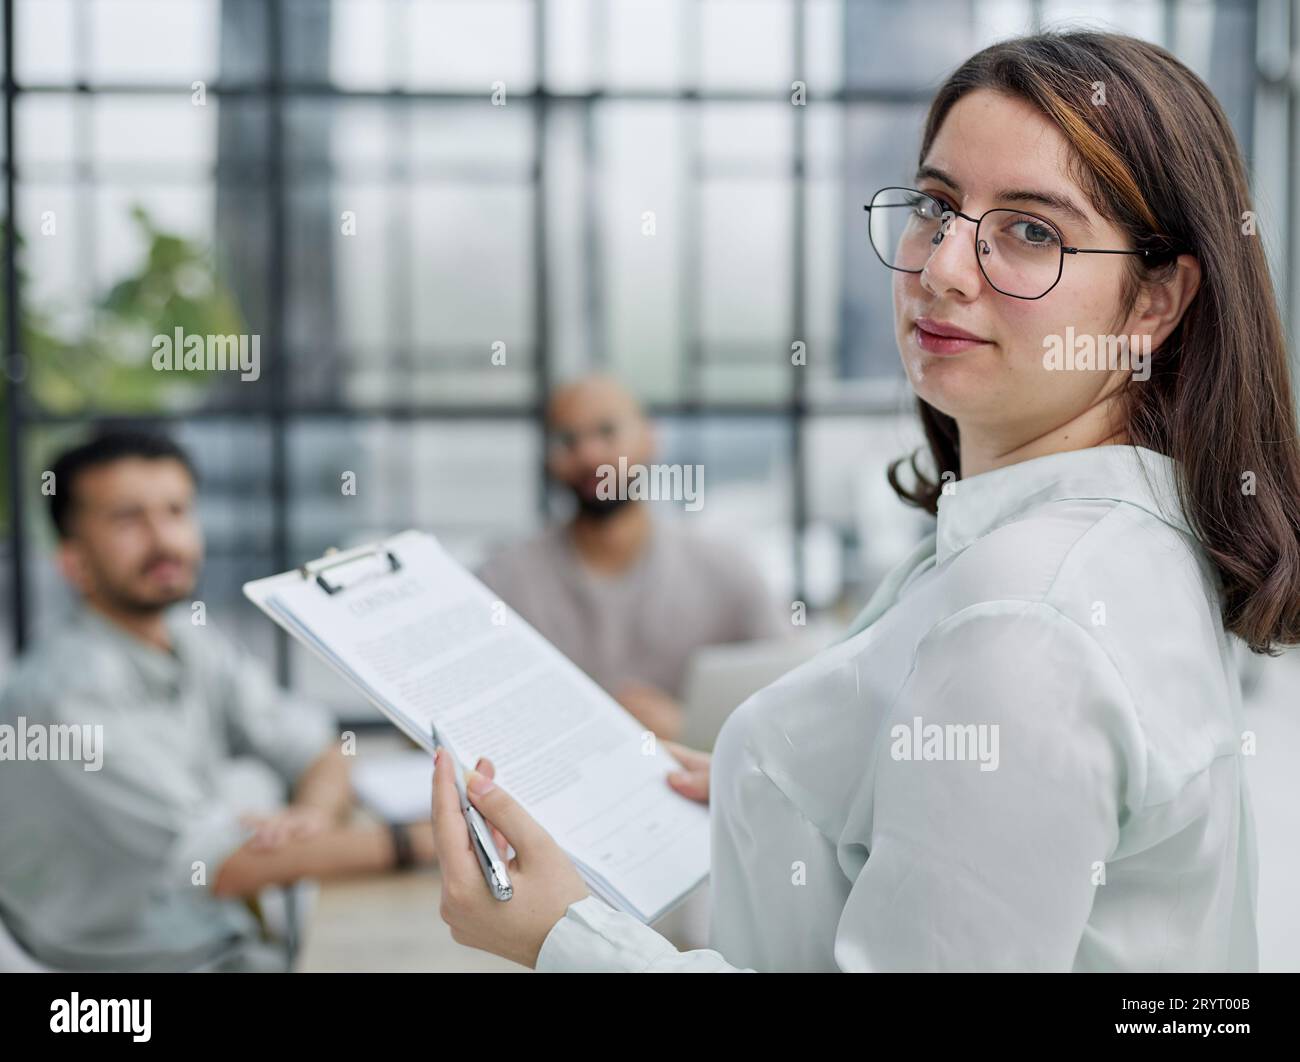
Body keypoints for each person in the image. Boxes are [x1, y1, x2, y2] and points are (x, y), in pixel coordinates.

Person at [431, 31, 1300, 971]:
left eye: (1032, 230)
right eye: (937, 206)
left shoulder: (1028, 619)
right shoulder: (1094, 539)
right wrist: (771, 790)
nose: (942, 269)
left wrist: (563, 936)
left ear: (1155, 302)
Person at [0, 430, 436, 972]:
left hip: (230, 944)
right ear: (72, 561)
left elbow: (321, 749)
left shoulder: (190, 640)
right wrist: (430, 841)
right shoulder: (62, 697)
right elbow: (227, 866)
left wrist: (308, 818)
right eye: (128, 519)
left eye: (177, 511)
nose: (164, 539)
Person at [476, 374, 786, 742]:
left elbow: (794, 702)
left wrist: (692, 729)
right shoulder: (501, 583)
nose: (589, 455)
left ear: (650, 438)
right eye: (567, 440)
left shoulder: (726, 570)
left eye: (607, 432)